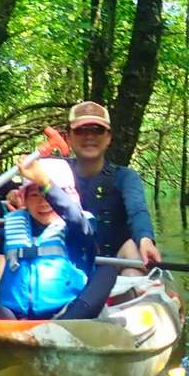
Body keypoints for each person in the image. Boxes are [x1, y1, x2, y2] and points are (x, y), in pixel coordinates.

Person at [0, 157, 118, 320]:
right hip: (13, 316)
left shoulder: (78, 228)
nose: (43, 203)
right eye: (35, 195)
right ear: (25, 200)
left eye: (47, 195)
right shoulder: (17, 228)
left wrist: (47, 184)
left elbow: (75, 219)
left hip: (67, 313)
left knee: (107, 271)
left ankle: (63, 326)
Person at [64, 101, 162, 273]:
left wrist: (145, 239)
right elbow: (25, 191)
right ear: (68, 137)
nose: (89, 136)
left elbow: (137, 211)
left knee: (132, 247)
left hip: (116, 262)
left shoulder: (125, 177)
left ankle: (136, 289)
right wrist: (14, 194)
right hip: (68, 266)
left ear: (108, 137)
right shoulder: (54, 172)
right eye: (81, 130)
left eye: (97, 130)